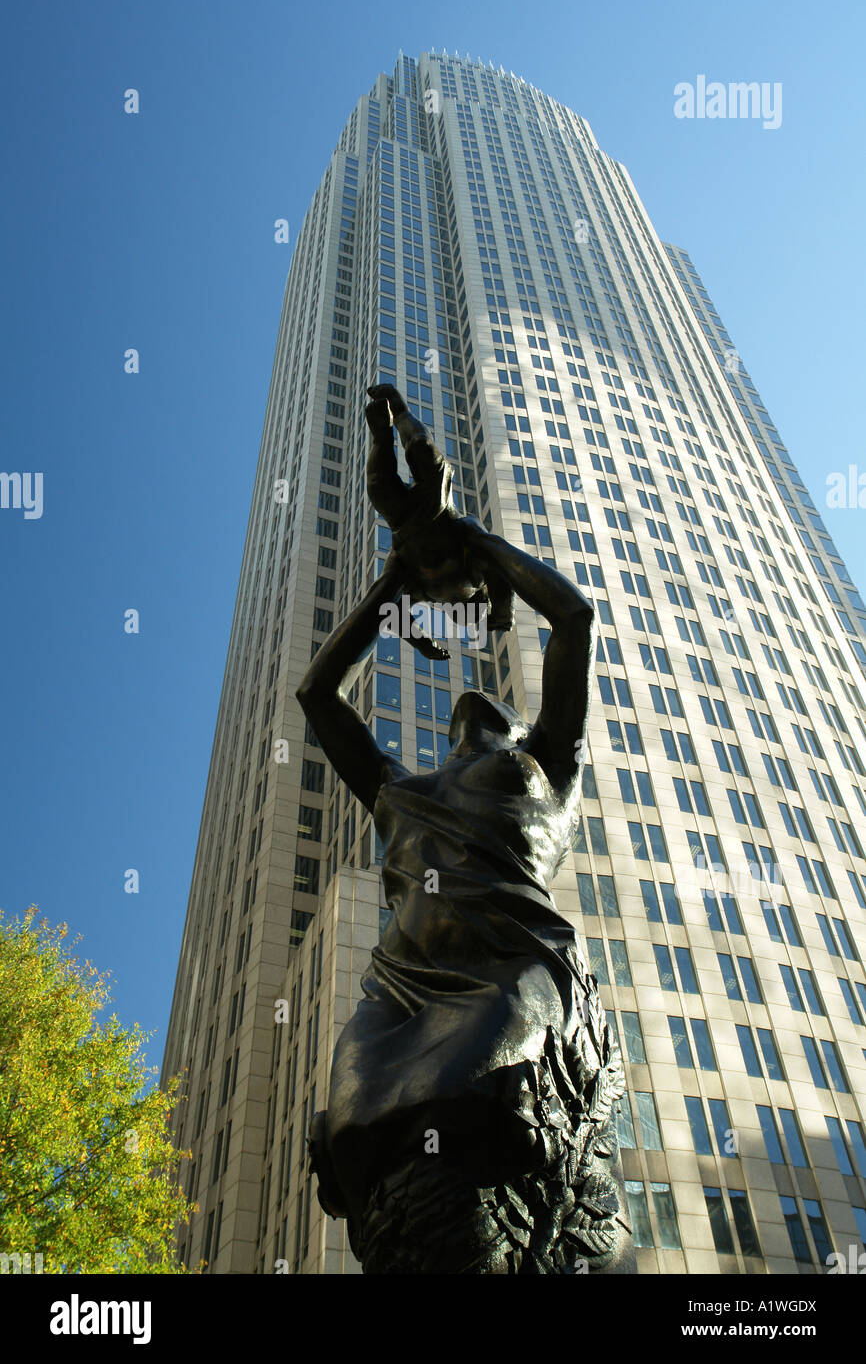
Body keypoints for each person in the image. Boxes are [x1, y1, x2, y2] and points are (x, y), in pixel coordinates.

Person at [296, 432, 631, 1275]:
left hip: (507, 967)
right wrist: (399, 580)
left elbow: (574, 619)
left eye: (502, 719)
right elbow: (317, 695)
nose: (478, 710)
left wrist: (466, 535)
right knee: (345, 1121)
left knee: (474, 1078)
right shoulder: (400, 792)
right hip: (400, 986)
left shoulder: (544, 769)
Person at [365, 383, 514, 654]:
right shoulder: (476, 567)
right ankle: (400, 412)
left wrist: (424, 644)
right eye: (473, 611)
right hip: (436, 503)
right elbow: (503, 572)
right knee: (421, 448)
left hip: (405, 527)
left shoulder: (424, 591)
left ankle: (382, 435)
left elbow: (392, 612)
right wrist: (503, 613)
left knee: (378, 485)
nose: (462, 612)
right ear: (480, 594)